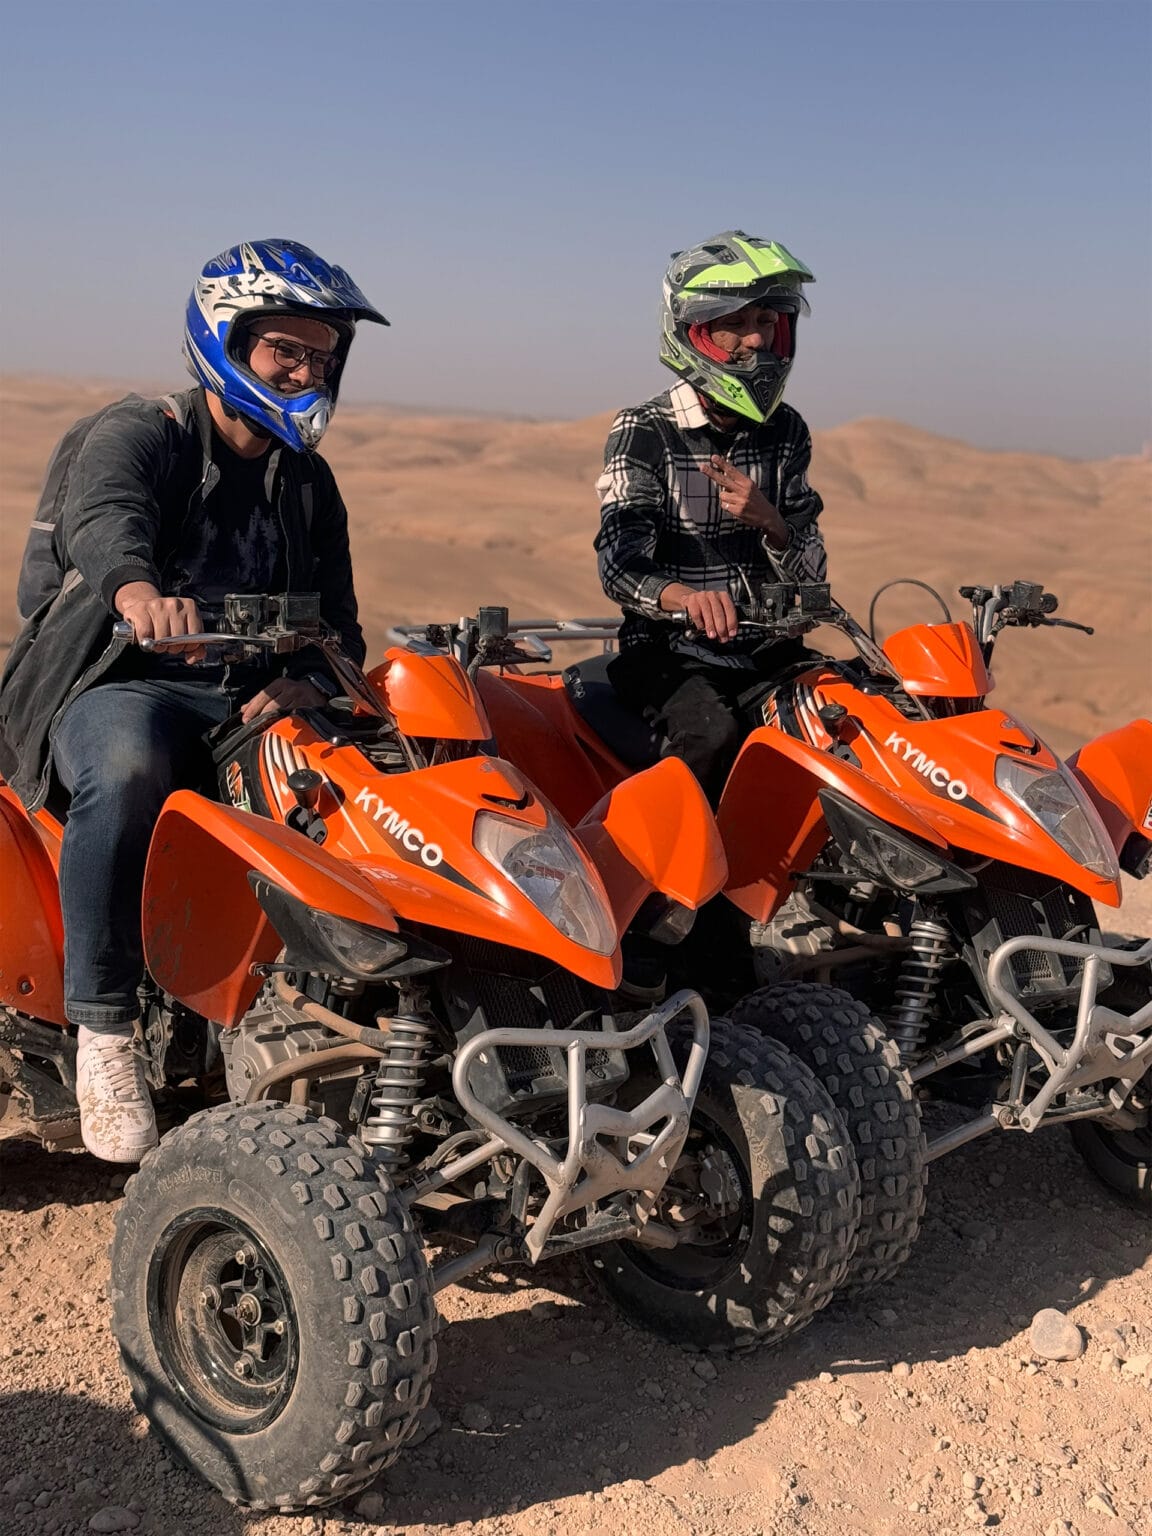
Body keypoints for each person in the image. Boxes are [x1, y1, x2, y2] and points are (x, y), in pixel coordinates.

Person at [0, 239, 388, 1162]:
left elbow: (342, 622)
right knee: (131, 768)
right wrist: (139, 595)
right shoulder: (145, 432)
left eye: (320, 354)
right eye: (282, 351)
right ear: (226, 341)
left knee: (364, 782)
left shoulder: (308, 484)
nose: (304, 371)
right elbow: (104, 523)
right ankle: (102, 1030)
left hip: (244, 698)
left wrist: (310, 680)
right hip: (119, 683)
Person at [594, 230, 827, 804]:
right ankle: (670, 888)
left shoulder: (786, 430)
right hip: (665, 649)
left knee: (862, 710)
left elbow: (814, 570)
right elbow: (618, 565)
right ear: (696, 332)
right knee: (710, 736)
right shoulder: (645, 429)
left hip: (762, 644)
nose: (757, 339)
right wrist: (684, 598)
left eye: (769, 323)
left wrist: (772, 522)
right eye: (738, 323)